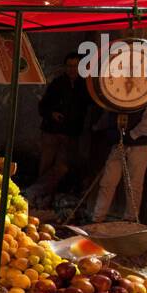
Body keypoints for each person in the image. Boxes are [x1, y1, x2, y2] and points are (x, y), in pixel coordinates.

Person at [30, 52, 89, 204]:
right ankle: (39, 199)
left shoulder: (85, 86)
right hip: (51, 131)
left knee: (62, 167)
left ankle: (42, 195)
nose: (72, 69)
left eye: (75, 66)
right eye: (69, 66)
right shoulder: (57, 84)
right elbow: (42, 106)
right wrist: (52, 114)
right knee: (46, 166)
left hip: (71, 133)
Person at [92, 100, 147, 222]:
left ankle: (130, 219)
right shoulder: (119, 95)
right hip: (121, 141)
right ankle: (97, 217)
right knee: (108, 180)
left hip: (139, 144)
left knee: (133, 183)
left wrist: (132, 135)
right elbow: (109, 113)